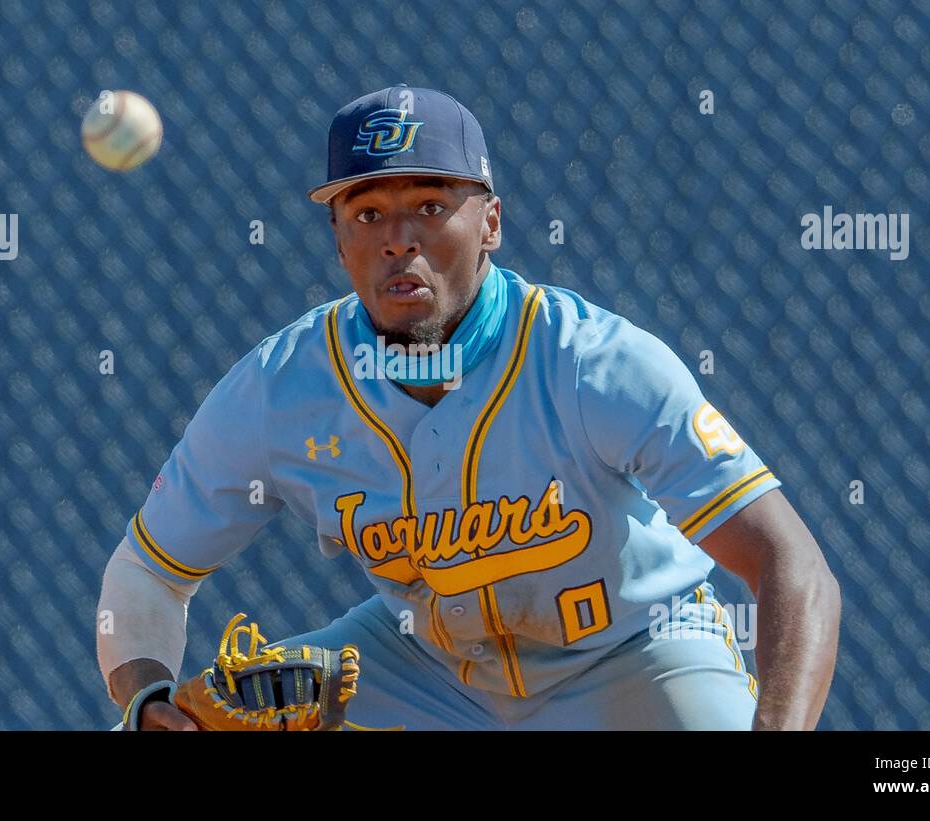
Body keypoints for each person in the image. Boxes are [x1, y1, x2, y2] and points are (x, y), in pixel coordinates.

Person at [96, 84, 841, 730]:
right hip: (429, 670)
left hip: (636, 652)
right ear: (337, 237)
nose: (398, 239)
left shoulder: (594, 364)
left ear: (490, 223)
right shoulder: (281, 386)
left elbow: (791, 565)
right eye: (366, 212)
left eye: (429, 204)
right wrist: (147, 696)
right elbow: (147, 571)